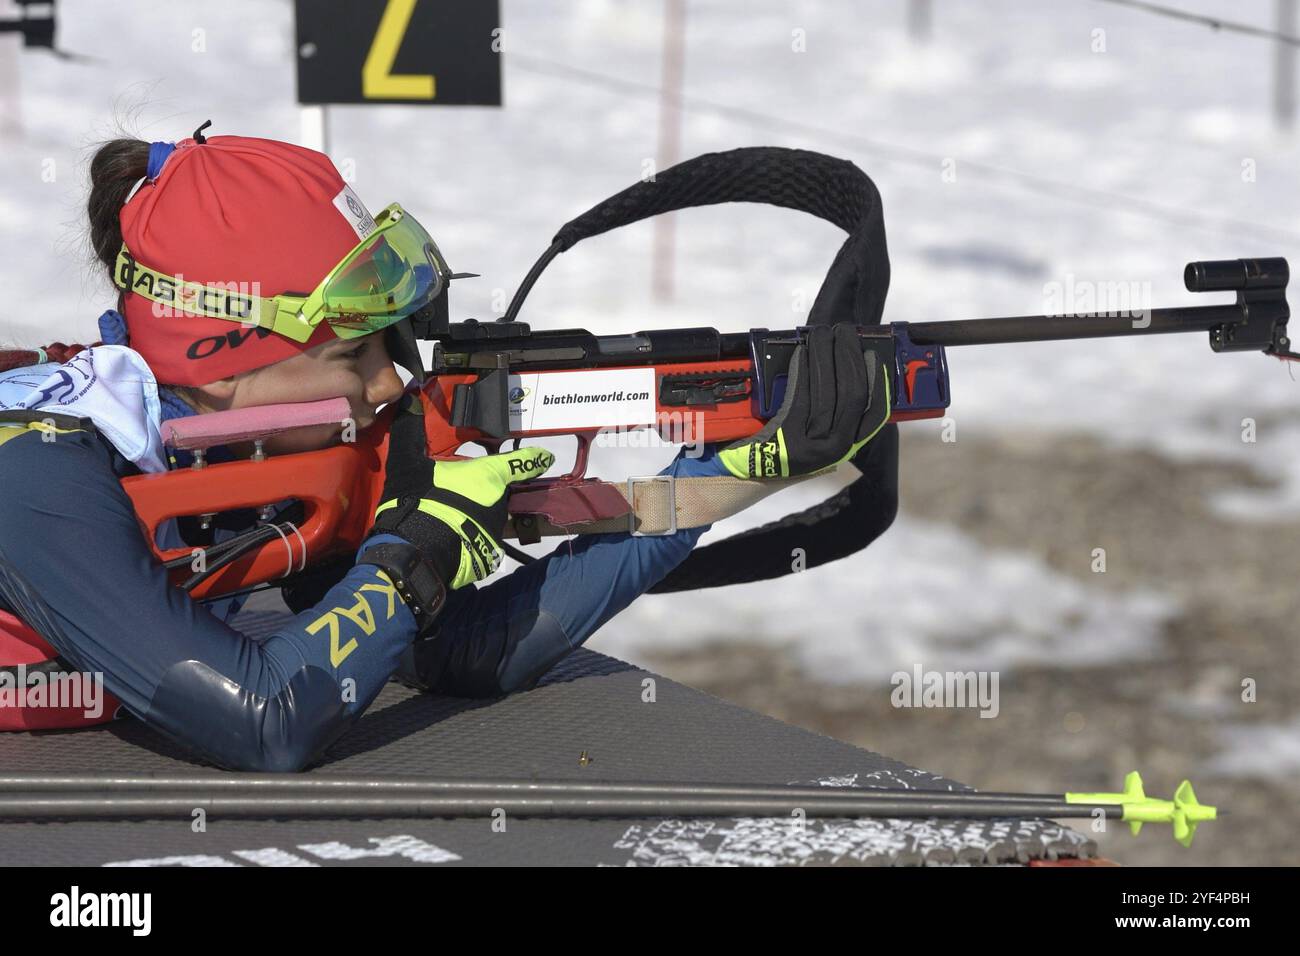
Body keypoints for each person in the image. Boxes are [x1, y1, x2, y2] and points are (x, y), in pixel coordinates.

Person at [0, 129, 883, 771]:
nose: (391, 384)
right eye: (355, 353)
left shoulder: (236, 452)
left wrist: (724, 475)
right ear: (223, 362)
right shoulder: (35, 472)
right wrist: (410, 554)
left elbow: (460, 655)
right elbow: (265, 721)